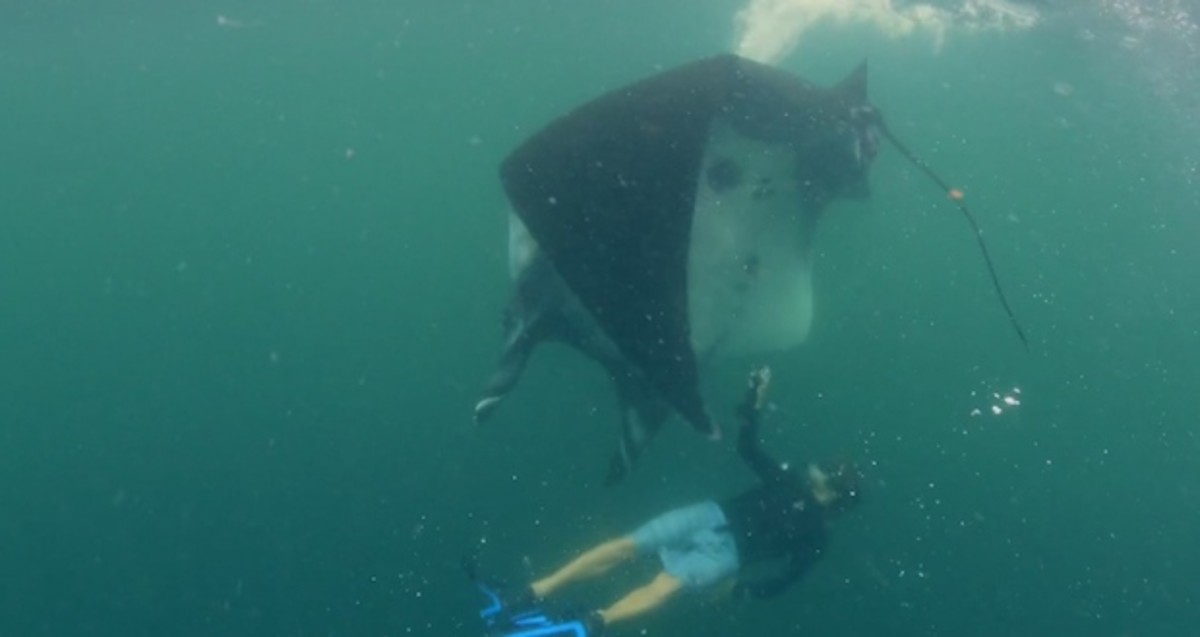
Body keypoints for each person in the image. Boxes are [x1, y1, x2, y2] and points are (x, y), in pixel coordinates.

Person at [483, 367, 863, 636]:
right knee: (625, 546)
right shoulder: (788, 480)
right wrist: (753, 405)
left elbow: (786, 581)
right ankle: (535, 591)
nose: (817, 466)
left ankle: (599, 621)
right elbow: (748, 448)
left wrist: (741, 589)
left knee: (665, 586)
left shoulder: (816, 535)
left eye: (828, 468)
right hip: (710, 516)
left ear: (835, 488)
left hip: (726, 557)